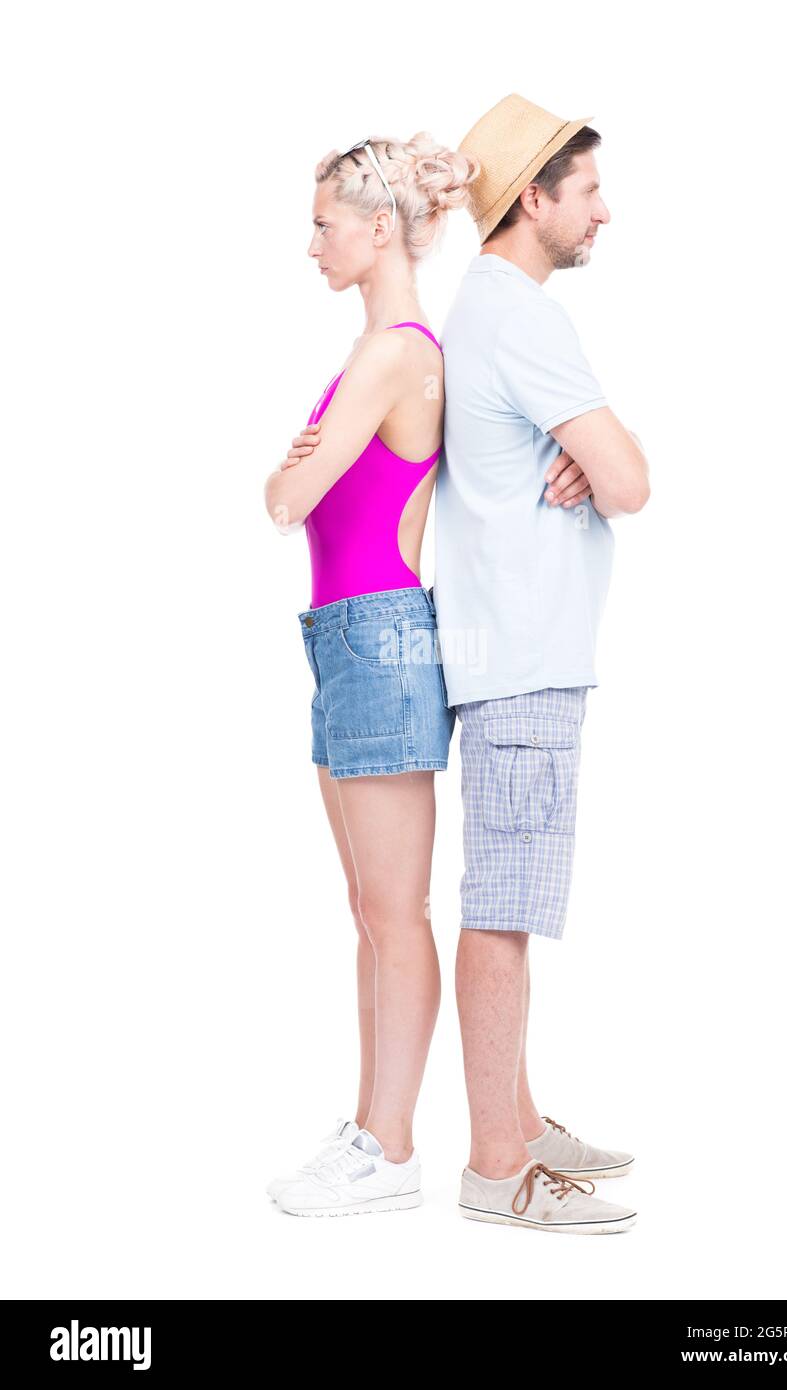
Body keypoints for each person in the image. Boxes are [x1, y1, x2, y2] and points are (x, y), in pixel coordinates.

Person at [433, 94, 651, 1234]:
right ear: (535, 197)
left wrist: (574, 457)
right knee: (504, 908)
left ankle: (515, 1121)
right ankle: (495, 1167)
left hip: (507, 648)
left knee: (506, 899)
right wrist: (590, 458)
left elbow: (587, 467)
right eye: (587, 193)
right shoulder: (519, 315)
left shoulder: (486, 310)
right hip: (521, 656)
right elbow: (627, 479)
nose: (602, 213)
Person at [262, 132, 479, 1217]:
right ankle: (372, 1131)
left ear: (377, 227)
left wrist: (289, 471)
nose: (312, 244)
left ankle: (388, 1150)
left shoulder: (395, 351)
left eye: (323, 224)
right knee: (368, 908)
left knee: (394, 911)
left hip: (384, 637)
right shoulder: (368, 353)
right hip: (342, 636)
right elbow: (282, 490)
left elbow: (287, 498)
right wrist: (288, 475)